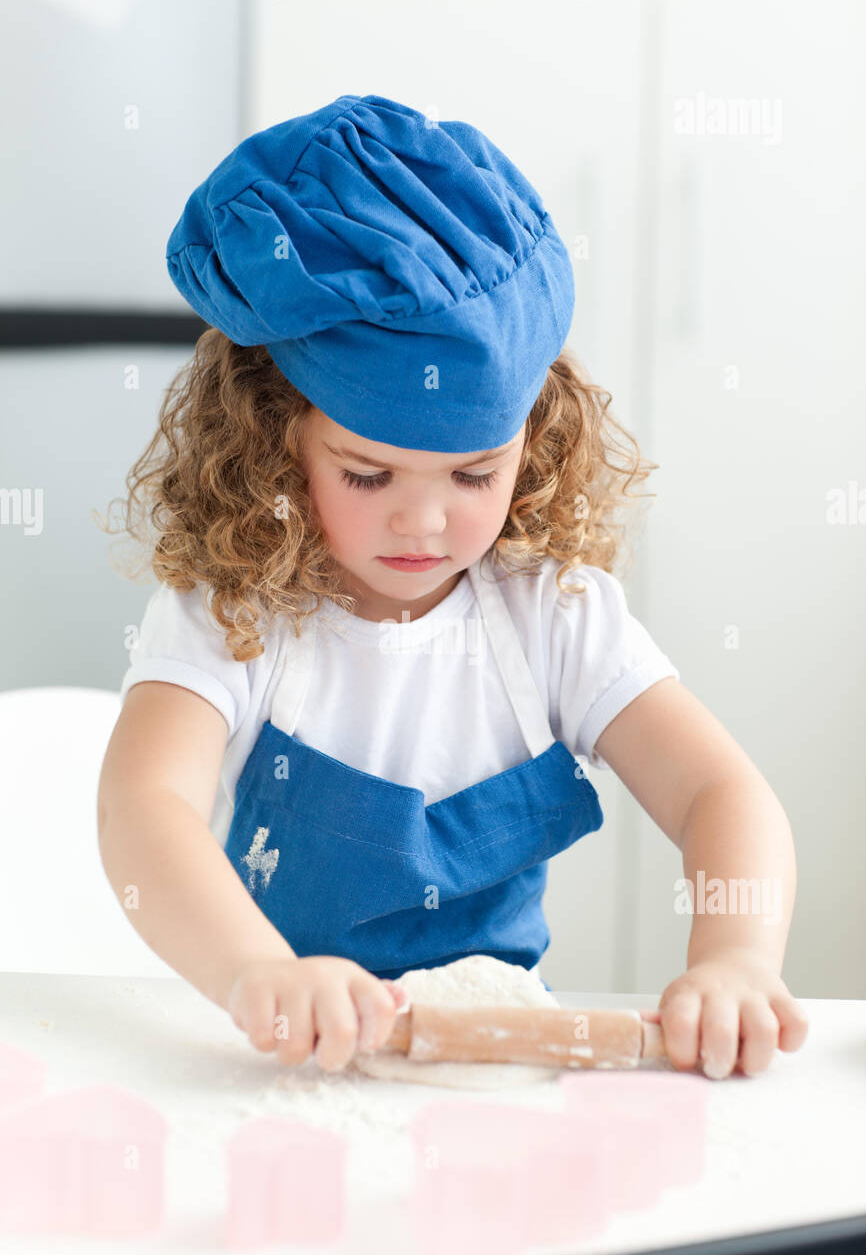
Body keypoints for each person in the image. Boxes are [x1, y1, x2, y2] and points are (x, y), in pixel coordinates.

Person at [97, 94, 807, 1081]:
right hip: (277, 1068)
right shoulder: (239, 613)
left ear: (535, 434)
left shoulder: (551, 616)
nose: (424, 523)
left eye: (475, 473)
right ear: (272, 435)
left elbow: (721, 792)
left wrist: (733, 959)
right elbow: (144, 807)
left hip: (493, 1072)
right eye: (366, 474)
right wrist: (256, 971)